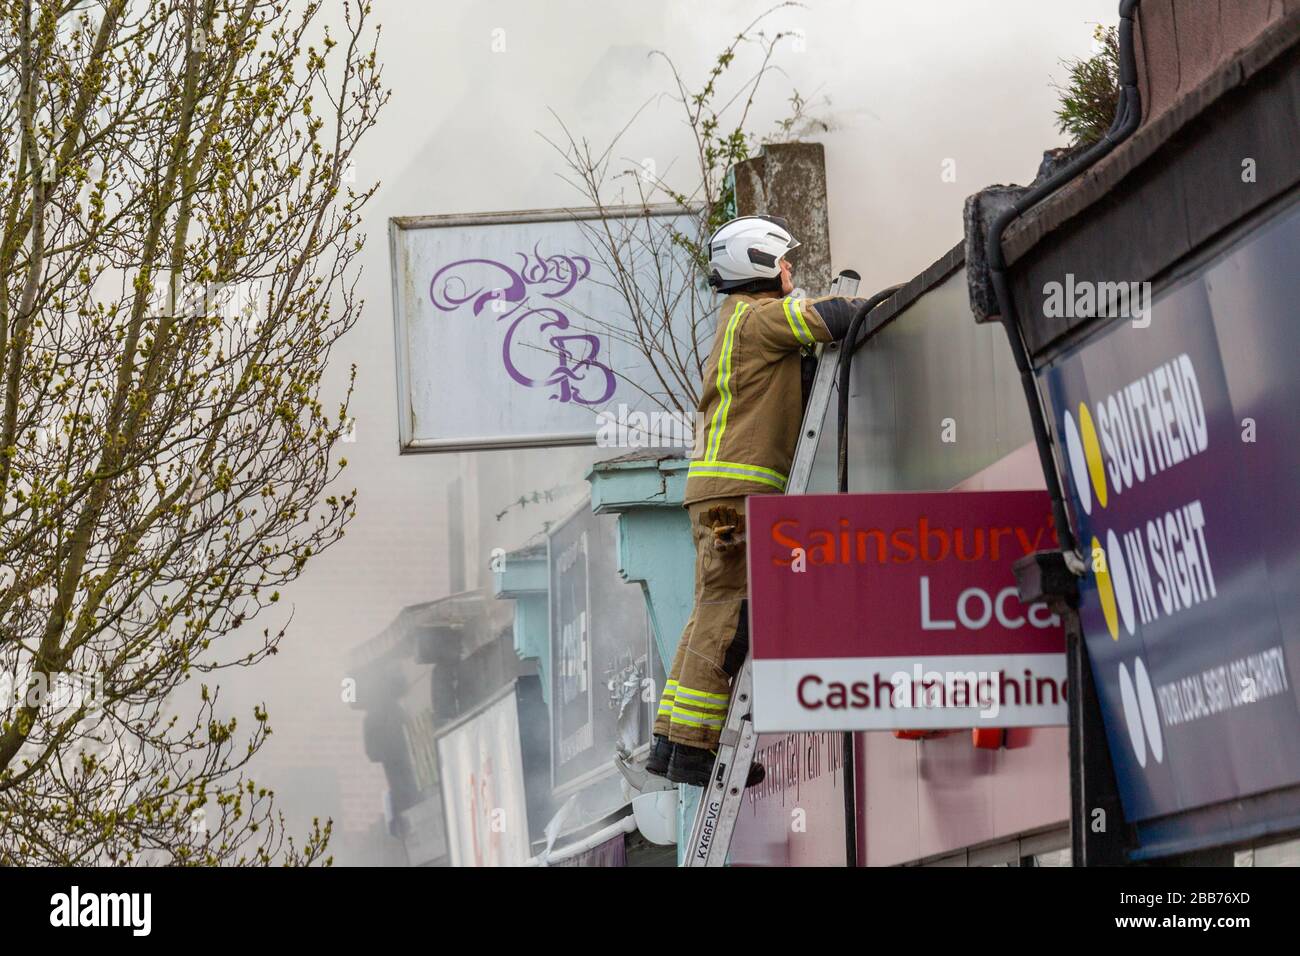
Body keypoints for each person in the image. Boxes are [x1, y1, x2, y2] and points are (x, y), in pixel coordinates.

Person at [647, 215, 868, 787]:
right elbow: (832, 318)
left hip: (717, 496)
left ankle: (671, 742)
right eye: (784, 259)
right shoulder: (758, 318)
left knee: (709, 612)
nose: (791, 268)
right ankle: (697, 749)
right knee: (734, 615)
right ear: (762, 264)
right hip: (738, 498)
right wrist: (866, 301)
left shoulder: (737, 321)